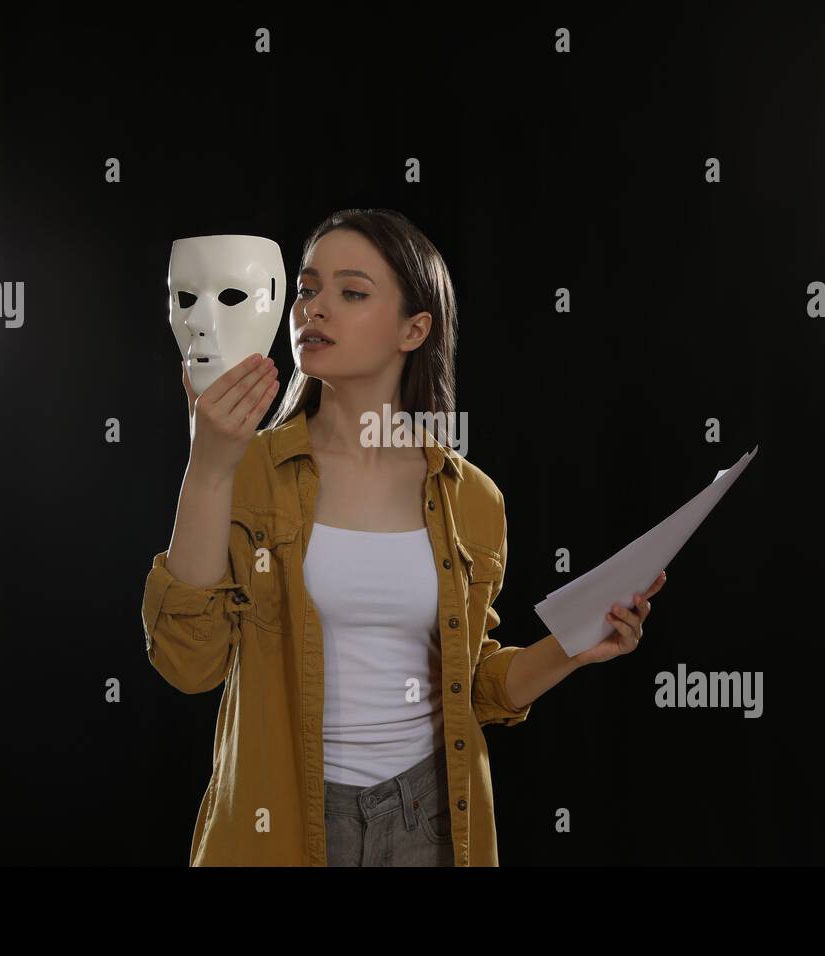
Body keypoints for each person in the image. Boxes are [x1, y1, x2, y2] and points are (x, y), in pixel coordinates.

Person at [143, 208, 666, 866]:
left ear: (415, 329)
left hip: (433, 824)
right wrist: (209, 467)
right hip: (283, 824)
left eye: (351, 293)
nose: (315, 310)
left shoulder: (472, 499)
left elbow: (471, 685)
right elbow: (187, 664)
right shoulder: (247, 470)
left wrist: (576, 647)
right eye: (306, 290)